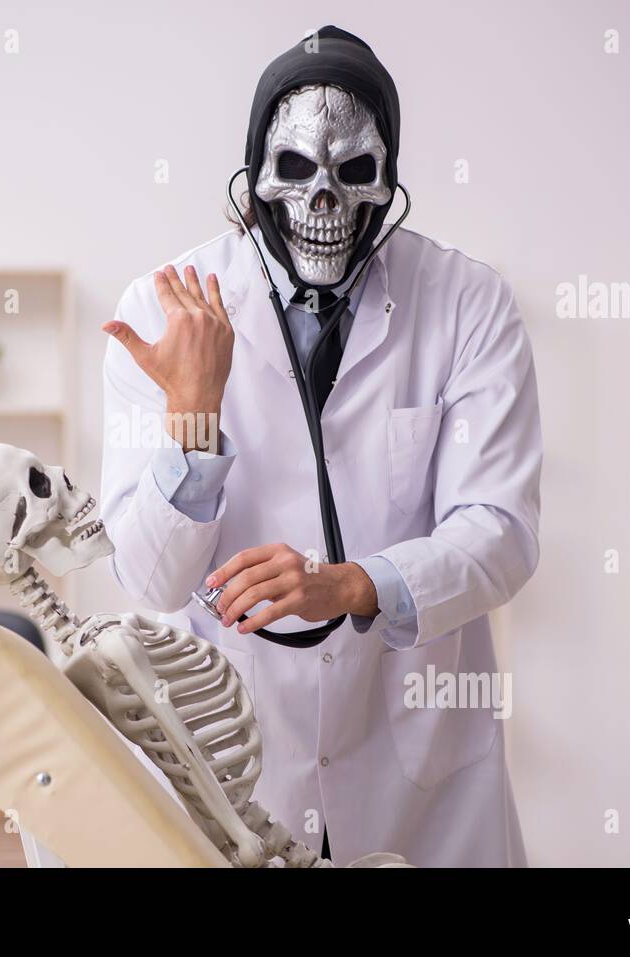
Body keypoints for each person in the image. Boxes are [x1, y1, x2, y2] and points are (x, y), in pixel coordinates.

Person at [99, 25, 541, 867]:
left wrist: (348, 582)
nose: (324, 199)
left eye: (355, 170)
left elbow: (502, 533)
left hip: (418, 771)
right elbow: (153, 579)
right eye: (296, 170)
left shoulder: (467, 303)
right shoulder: (165, 307)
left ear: (389, 178)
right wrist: (194, 410)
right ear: (257, 179)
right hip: (231, 773)